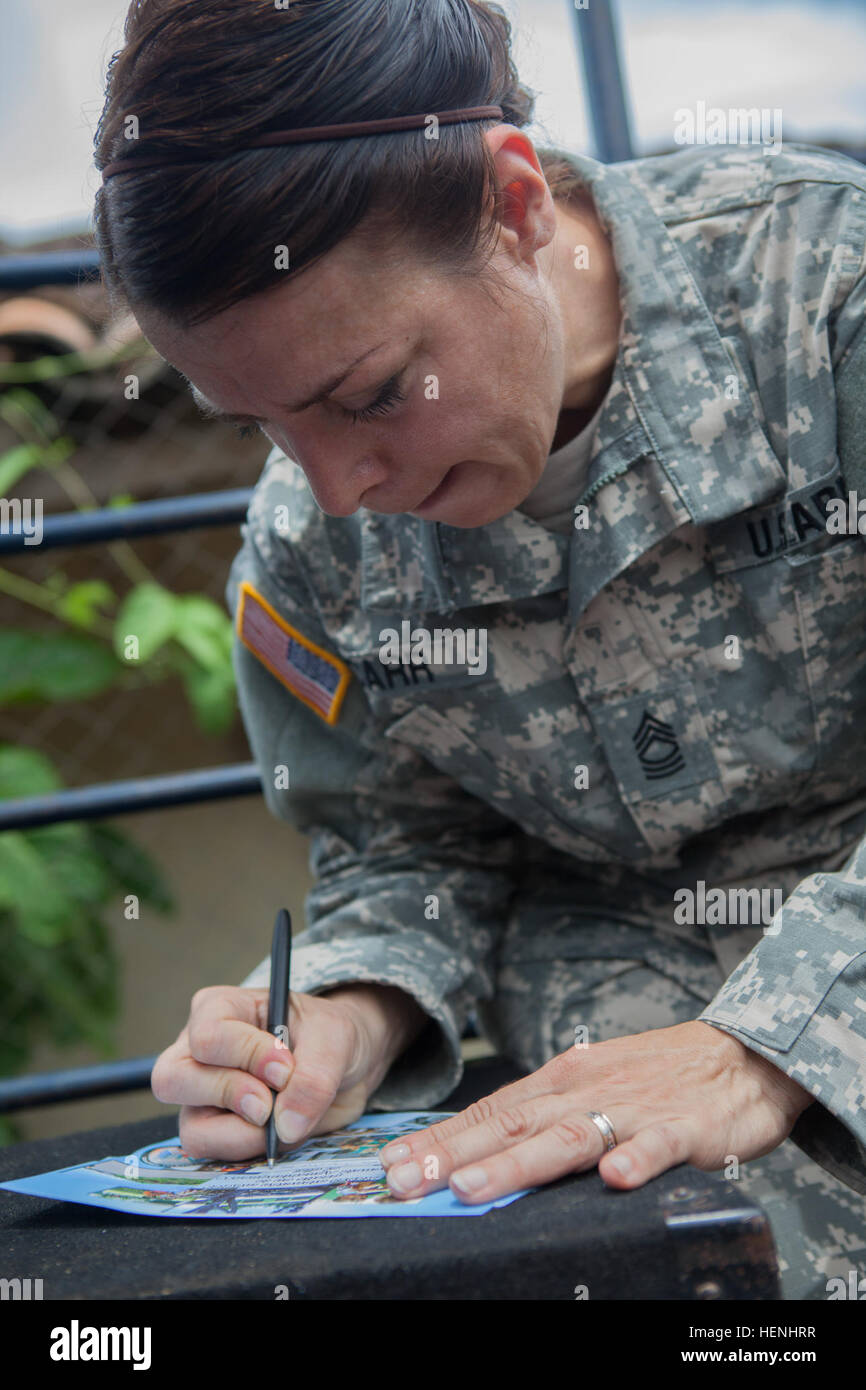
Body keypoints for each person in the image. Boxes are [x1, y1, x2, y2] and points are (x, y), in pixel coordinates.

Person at [93, 0, 866, 1299]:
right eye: (266, 429)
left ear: (513, 205)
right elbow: (406, 844)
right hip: (595, 1145)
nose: (337, 491)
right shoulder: (311, 544)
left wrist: (766, 1044)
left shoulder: (830, 304)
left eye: (371, 392)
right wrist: (347, 1007)